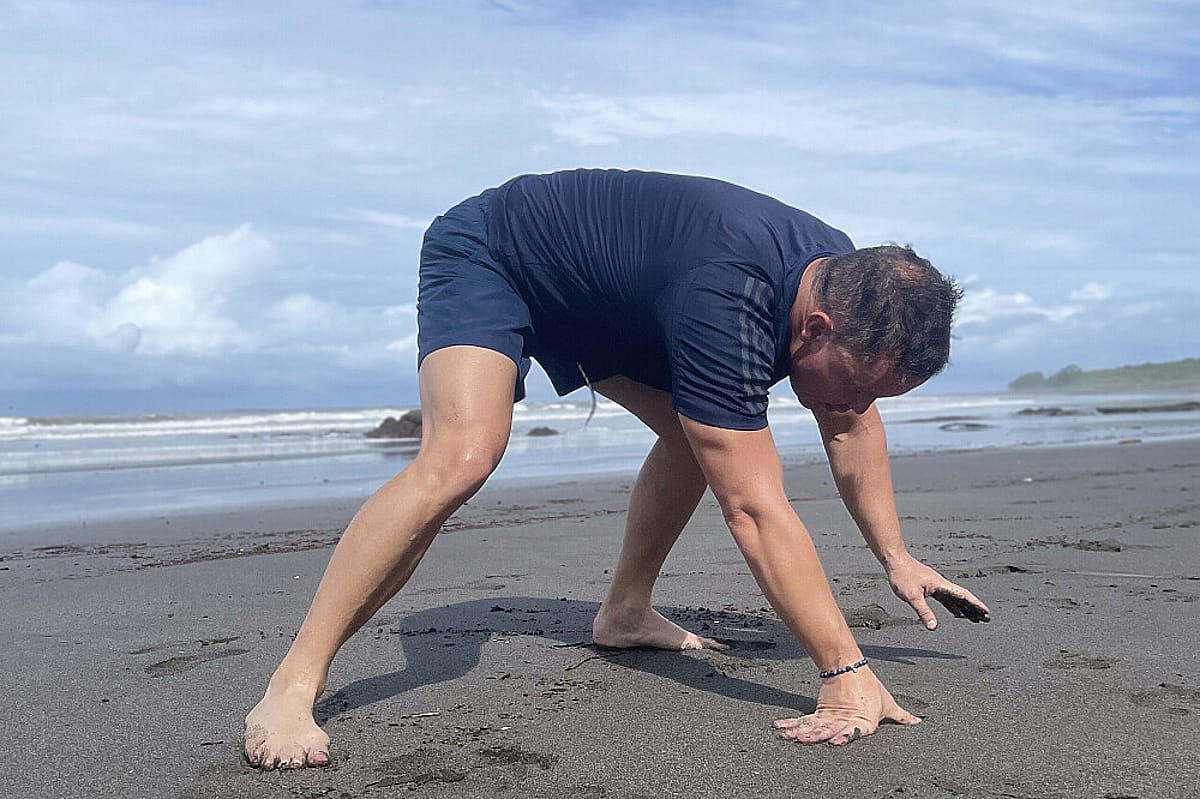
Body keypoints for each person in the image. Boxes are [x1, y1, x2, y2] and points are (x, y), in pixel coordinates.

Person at [243, 168, 990, 770]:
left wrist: (894, 553)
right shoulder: (727, 301)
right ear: (817, 325)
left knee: (693, 435)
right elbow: (755, 511)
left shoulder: (844, 280)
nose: (858, 404)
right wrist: (842, 672)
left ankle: (625, 614)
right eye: (858, 380)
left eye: (876, 392)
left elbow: (850, 427)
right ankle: (293, 681)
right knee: (464, 455)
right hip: (497, 252)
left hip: (611, 298)